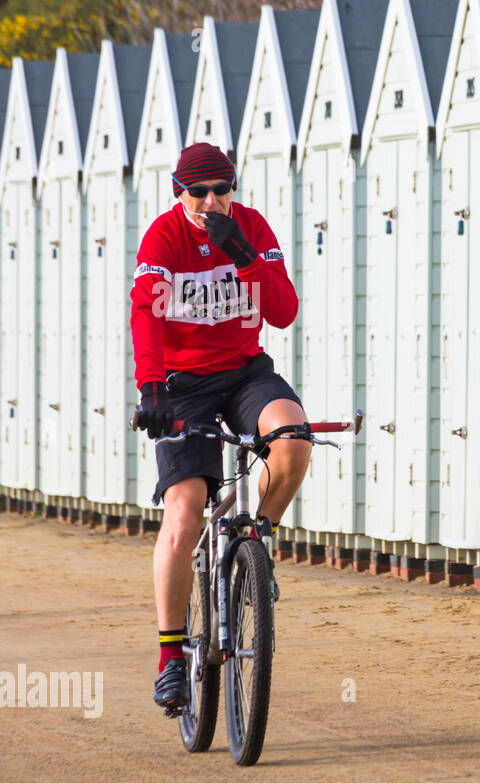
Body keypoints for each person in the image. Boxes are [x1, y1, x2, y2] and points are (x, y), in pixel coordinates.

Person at [130, 142, 309, 714]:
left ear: (234, 188)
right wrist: (151, 385)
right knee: (185, 510)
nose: (212, 202)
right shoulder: (165, 237)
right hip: (182, 384)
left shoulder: (250, 226)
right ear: (178, 193)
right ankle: (169, 658)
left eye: (222, 190)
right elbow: (147, 313)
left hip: (244, 374)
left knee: (293, 441)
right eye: (198, 192)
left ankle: (258, 545)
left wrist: (247, 254)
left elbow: (282, 312)